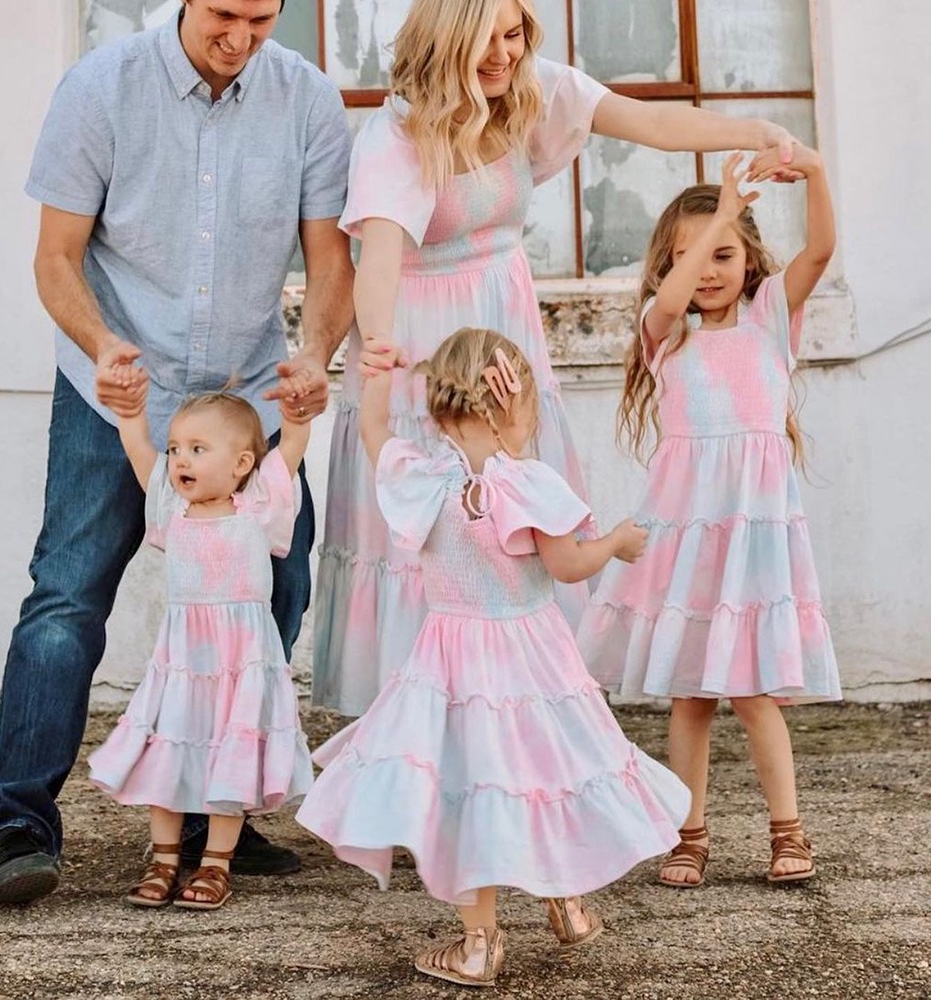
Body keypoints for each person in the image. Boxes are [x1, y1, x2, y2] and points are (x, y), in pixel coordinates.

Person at [312, 0, 805, 717]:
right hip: (421, 342)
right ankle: (422, 722)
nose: (502, 55)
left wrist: (756, 129)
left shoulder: (529, 93)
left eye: (513, 35)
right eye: (484, 40)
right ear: (443, 40)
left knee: (517, 511)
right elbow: (378, 259)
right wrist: (381, 363)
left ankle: (521, 711)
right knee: (437, 517)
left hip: (504, 327)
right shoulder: (397, 137)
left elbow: (655, 123)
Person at [0, 0, 355, 906]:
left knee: (276, 590)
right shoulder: (100, 88)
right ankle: (17, 821)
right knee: (69, 590)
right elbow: (56, 259)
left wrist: (315, 354)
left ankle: (211, 807)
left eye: (264, 19)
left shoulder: (308, 102)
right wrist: (105, 348)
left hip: (250, 392)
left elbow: (331, 262)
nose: (243, 37)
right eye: (226, 14)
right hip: (121, 385)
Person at [297, 328, 691, 988]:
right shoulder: (529, 484)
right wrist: (617, 541)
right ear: (522, 405)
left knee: (470, 792)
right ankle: (566, 902)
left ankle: (480, 942)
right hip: (532, 661)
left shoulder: (421, 480)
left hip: (452, 662)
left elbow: (370, 431)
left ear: (439, 408)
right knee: (544, 772)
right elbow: (568, 566)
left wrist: (377, 374)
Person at [576, 150, 842, 888]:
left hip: (751, 536)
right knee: (691, 693)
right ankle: (686, 835)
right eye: (689, 258)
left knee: (754, 691)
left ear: (750, 259)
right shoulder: (667, 332)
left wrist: (815, 173)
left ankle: (788, 832)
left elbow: (821, 249)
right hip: (688, 536)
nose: (709, 269)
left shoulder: (768, 323)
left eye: (724, 253)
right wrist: (719, 214)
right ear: (666, 270)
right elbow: (671, 299)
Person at [88, 379, 313, 910]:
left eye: (196, 449)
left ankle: (215, 864)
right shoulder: (171, 507)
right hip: (184, 661)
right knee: (169, 751)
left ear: (240, 465)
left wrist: (299, 413)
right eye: (176, 448)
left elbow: (293, 446)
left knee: (230, 756)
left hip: (241, 661)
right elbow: (140, 452)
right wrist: (130, 415)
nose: (179, 459)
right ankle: (164, 858)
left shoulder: (259, 504)